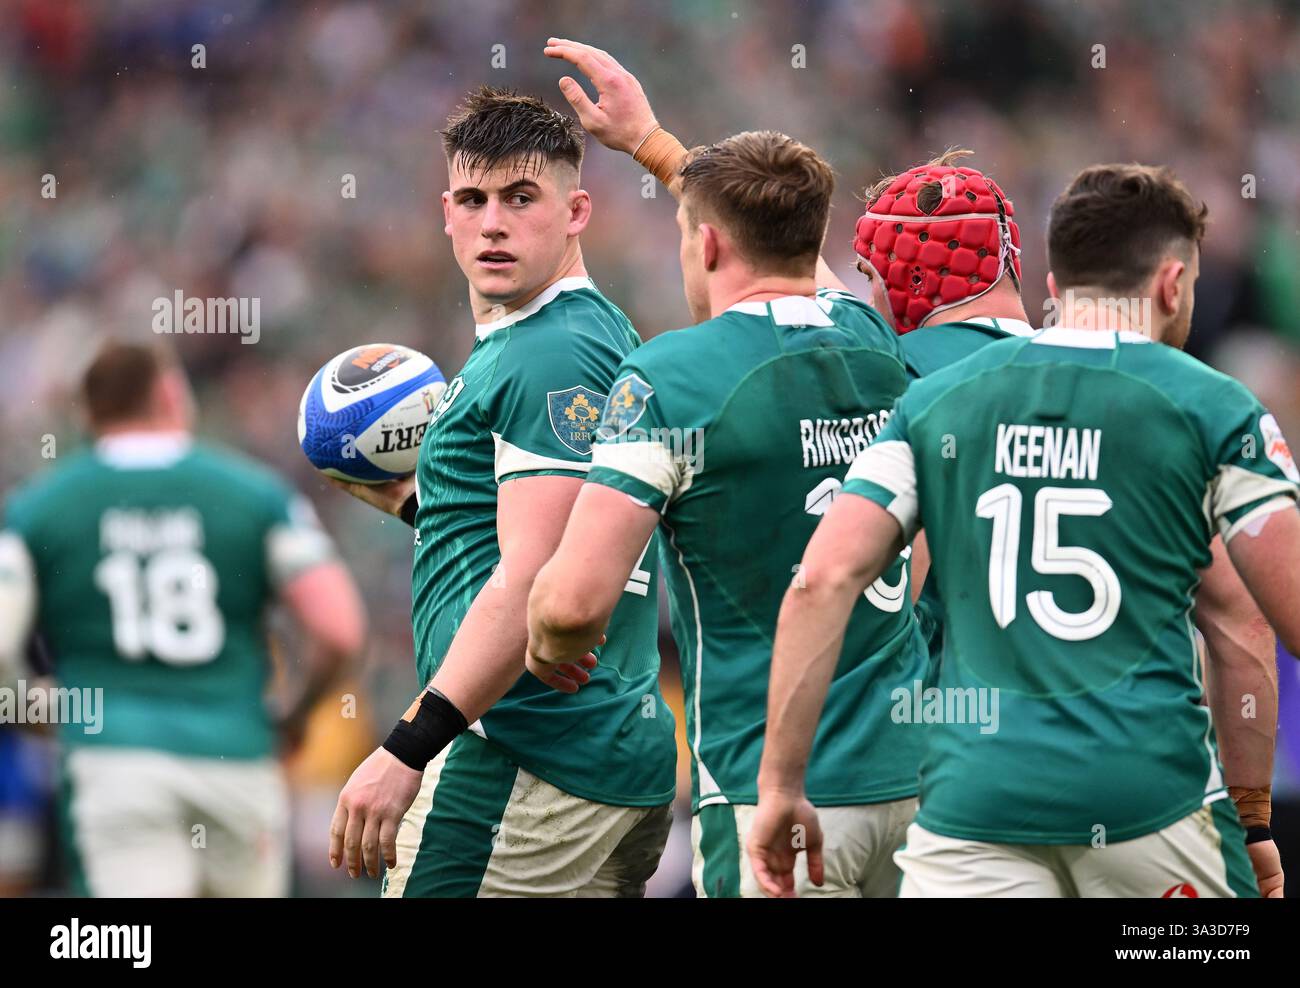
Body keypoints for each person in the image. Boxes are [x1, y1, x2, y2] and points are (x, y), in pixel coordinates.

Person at [749, 164, 1298, 897]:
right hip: (1149, 803)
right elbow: (1260, 616)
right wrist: (1254, 816)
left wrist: (782, 786)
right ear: (1171, 283)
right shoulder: (1214, 407)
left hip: (974, 809)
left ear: (1052, 286)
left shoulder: (936, 403)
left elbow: (823, 580)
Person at [526, 41, 926, 897]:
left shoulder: (670, 376)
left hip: (768, 794)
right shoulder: (873, 342)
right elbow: (802, 269)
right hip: (919, 789)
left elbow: (571, 606)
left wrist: (543, 638)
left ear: (705, 245)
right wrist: (654, 144)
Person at [326, 86, 677, 897]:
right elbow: (565, 530)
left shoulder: (546, 351)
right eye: (474, 199)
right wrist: (426, 509)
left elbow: (531, 577)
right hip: (589, 754)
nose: (493, 223)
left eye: (522, 198)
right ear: (444, 211)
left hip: (522, 760)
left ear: (577, 209)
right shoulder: (570, 332)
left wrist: (405, 749)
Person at [0, 340, 366, 896]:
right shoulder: (254, 493)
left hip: (116, 762)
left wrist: (33, 707)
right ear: (170, 393)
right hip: (237, 757)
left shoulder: (41, 506)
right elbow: (339, 630)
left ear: (89, 413)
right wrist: (291, 716)